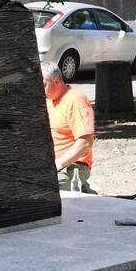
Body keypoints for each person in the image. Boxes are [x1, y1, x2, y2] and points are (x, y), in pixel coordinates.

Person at [42, 60, 96, 193]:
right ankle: (82, 190)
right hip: (53, 164)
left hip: (74, 165)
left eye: (42, 84)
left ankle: (79, 187)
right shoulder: (49, 100)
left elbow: (85, 142)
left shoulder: (75, 99)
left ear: (56, 81)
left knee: (41, 189)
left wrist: (58, 164)